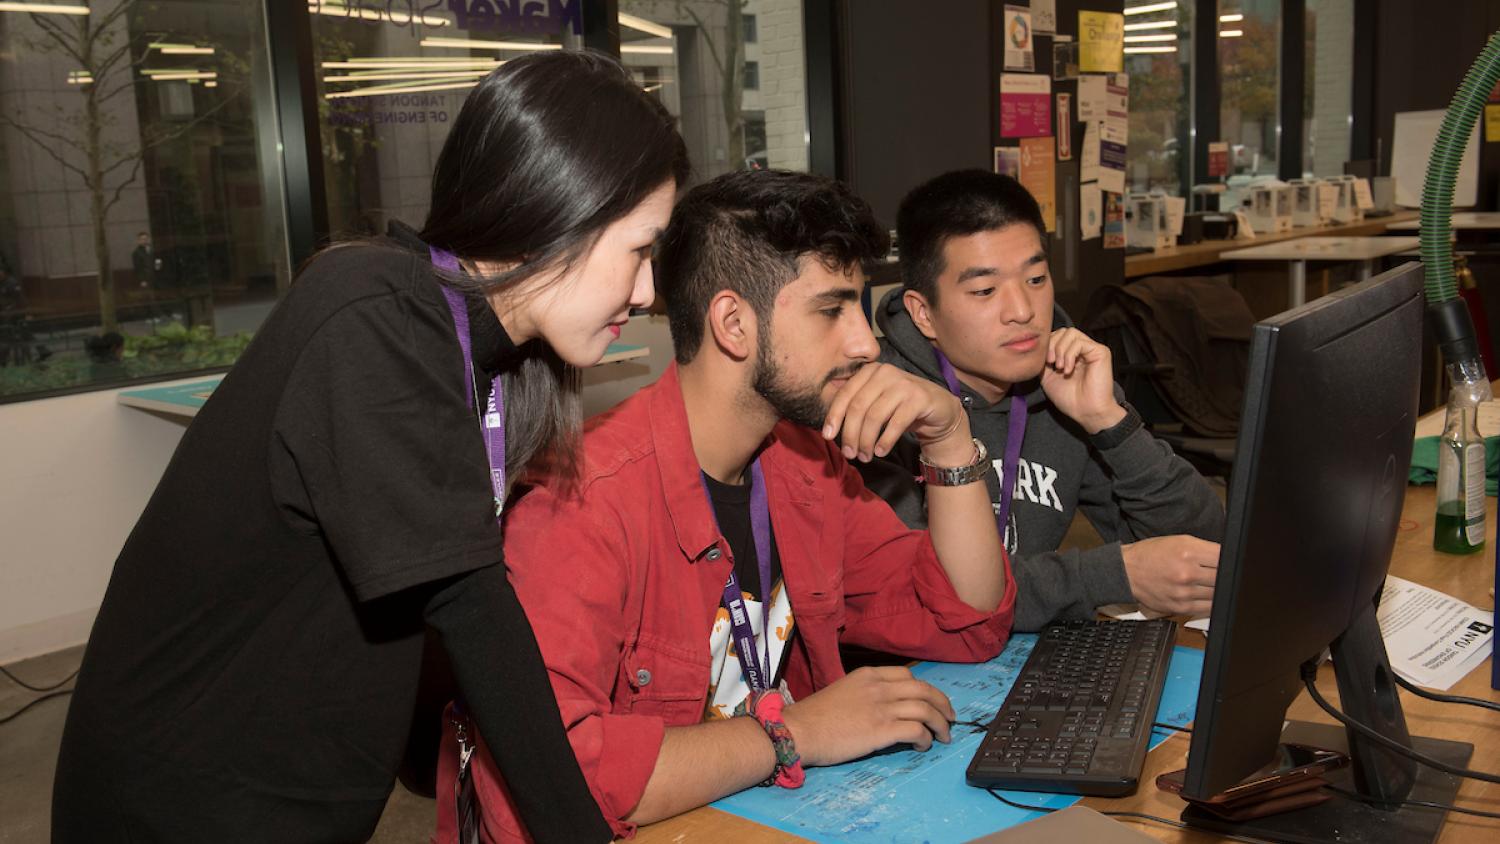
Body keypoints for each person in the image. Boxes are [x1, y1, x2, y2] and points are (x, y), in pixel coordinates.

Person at [52, 51, 688, 844]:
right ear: (555, 207)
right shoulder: (374, 314)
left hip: (289, 789)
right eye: (640, 249)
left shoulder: (485, 359)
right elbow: (470, 609)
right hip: (181, 801)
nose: (646, 292)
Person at [434, 170, 1018, 842]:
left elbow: (967, 621)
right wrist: (795, 733)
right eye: (832, 310)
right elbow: (553, 782)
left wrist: (949, 440)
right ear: (734, 325)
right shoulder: (579, 503)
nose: (865, 342)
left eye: (859, 307)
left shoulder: (804, 464)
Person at [858, 170, 1224, 631]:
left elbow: (1205, 549)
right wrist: (1108, 577)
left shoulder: (1065, 386)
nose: (1023, 311)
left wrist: (1111, 424)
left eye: (1035, 279)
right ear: (923, 313)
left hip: (1025, 655)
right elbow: (927, 598)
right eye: (985, 291)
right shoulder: (882, 405)